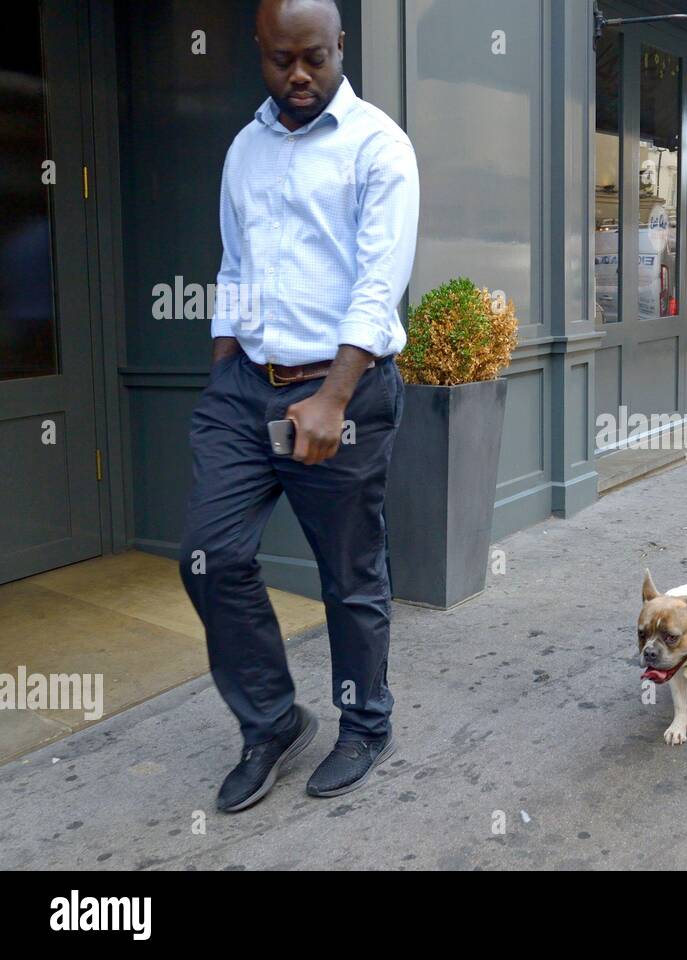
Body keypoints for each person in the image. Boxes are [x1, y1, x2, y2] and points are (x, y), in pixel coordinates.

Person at [178, 0, 419, 813]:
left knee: (348, 575)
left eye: (315, 56)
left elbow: (378, 282)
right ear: (261, 52)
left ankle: (365, 721)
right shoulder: (245, 148)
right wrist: (223, 367)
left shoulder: (378, 146)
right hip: (246, 383)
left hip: (341, 386)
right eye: (283, 59)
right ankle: (273, 721)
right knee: (210, 556)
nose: (300, 75)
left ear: (341, 45)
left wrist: (336, 395)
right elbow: (234, 262)